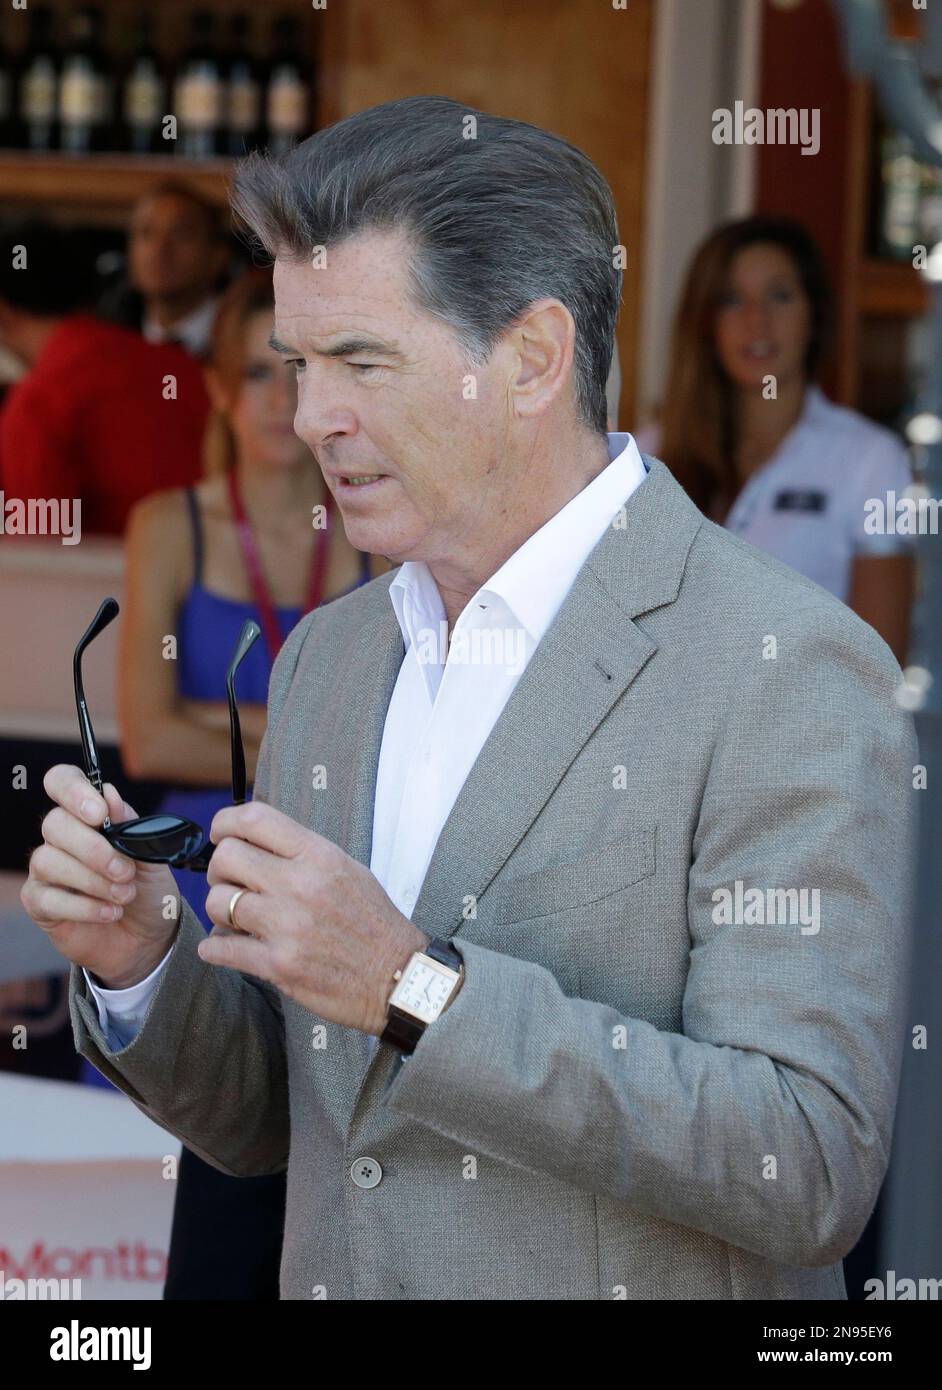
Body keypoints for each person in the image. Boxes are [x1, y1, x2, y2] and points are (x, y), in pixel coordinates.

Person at [25, 96, 916, 1300]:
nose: (309, 416)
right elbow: (281, 1124)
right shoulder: (329, 660)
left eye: (362, 361)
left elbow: (807, 1164)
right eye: (298, 363)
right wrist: (141, 959)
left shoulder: (788, 664)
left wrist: (415, 985)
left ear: (536, 357)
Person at [80, 266, 379, 1299]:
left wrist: (227, 728)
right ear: (211, 386)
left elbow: (385, 732)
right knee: (188, 1232)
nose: (270, 395)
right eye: (251, 371)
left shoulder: (372, 522)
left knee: (313, 1198)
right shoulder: (176, 520)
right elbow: (148, 737)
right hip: (196, 890)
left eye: (293, 370)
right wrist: (308, 731)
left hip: (333, 899)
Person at [634, 216, 914, 661]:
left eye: (779, 296)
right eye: (732, 300)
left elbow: (880, 672)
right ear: (706, 321)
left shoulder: (870, 460)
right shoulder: (650, 451)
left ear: (814, 314)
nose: (756, 320)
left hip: (806, 727)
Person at [0, 219, 209, 536]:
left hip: (115, 580)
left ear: (4, 312)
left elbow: (41, 553)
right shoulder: (180, 367)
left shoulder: (39, 399)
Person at [97, 182, 230, 359]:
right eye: (146, 233)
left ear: (217, 256)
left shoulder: (242, 338)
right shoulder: (108, 338)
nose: (160, 249)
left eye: (180, 233)